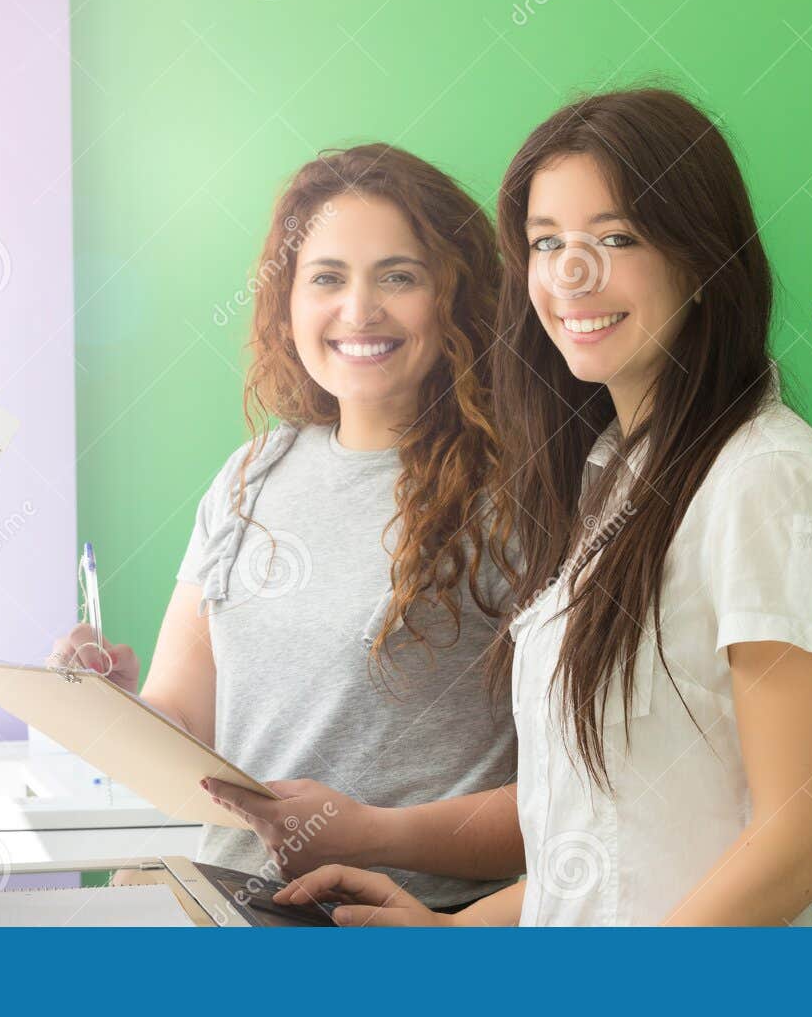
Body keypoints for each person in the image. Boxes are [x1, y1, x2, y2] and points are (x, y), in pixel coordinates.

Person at [277, 88, 812, 925]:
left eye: (615, 237)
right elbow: (606, 849)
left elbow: (802, 839)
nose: (572, 274)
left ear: (703, 259)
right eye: (546, 242)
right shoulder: (610, 482)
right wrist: (450, 935)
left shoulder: (766, 483)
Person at [50, 143, 524, 910]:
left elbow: (578, 808)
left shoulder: (518, 493)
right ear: (288, 302)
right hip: (231, 912)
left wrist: (369, 829)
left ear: (454, 297)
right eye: (328, 278)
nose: (359, 309)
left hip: (403, 927)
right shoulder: (250, 474)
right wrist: (107, 704)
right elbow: (183, 726)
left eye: (398, 276)